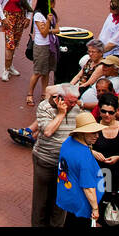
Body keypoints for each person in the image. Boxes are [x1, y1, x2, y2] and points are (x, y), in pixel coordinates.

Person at [30, 84, 83, 227]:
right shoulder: (44, 107)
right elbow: (48, 131)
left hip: (66, 165)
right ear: (59, 98)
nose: (73, 104)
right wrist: (61, 114)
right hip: (45, 161)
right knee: (41, 201)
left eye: (75, 101)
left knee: (61, 202)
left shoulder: (76, 108)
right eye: (70, 102)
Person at [56, 112, 107, 227]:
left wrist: (91, 151)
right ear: (82, 133)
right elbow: (88, 188)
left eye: (97, 132)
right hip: (82, 204)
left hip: (69, 197)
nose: (97, 136)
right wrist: (95, 209)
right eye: (92, 133)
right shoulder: (84, 158)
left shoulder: (68, 142)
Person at [91, 94, 119, 211]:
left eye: (111, 112)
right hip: (99, 176)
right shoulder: (93, 128)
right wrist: (92, 152)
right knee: (100, 209)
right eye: (104, 111)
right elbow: (82, 147)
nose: (107, 115)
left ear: (116, 112)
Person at [0, 0, 33, 82]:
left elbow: (29, 2)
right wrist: (3, 18)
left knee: (16, 42)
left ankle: (10, 66)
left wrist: (28, 18)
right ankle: (6, 69)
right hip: (9, 18)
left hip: (20, 18)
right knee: (10, 44)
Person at [26, 0, 58, 107]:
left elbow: (57, 29)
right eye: (53, 2)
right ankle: (30, 94)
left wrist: (50, 29)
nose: (54, 4)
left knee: (47, 71)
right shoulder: (38, 15)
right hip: (41, 46)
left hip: (50, 45)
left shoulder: (51, 13)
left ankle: (44, 93)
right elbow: (44, 32)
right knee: (38, 71)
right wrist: (49, 23)